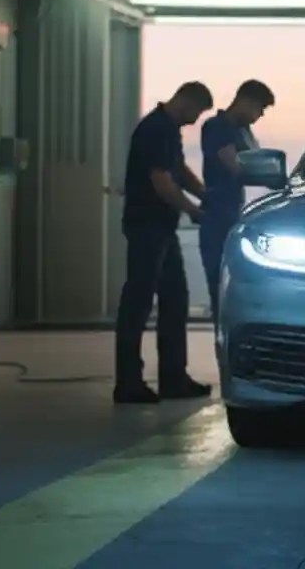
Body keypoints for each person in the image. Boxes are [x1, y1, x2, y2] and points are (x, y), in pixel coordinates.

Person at [114, 81, 215, 404]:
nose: (195, 120)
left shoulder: (168, 129)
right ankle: (128, 382)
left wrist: (203, 193)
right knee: (138, 303)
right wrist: (193, 210)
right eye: (196, 113)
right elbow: (162, 182)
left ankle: (174, 378)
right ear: (185, 102)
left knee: (175, 300)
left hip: (162, 228)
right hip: (147, 226)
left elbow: (178, 170)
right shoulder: (156, 128)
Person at [199, 79, 275, 327]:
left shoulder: (242, 132)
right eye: (258, 109)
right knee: (220, 286)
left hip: (233, 214)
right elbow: (234, 167)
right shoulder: (217, 127)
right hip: (217, 216)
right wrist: (271, 177)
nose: (259, 116)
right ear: (245, 101)